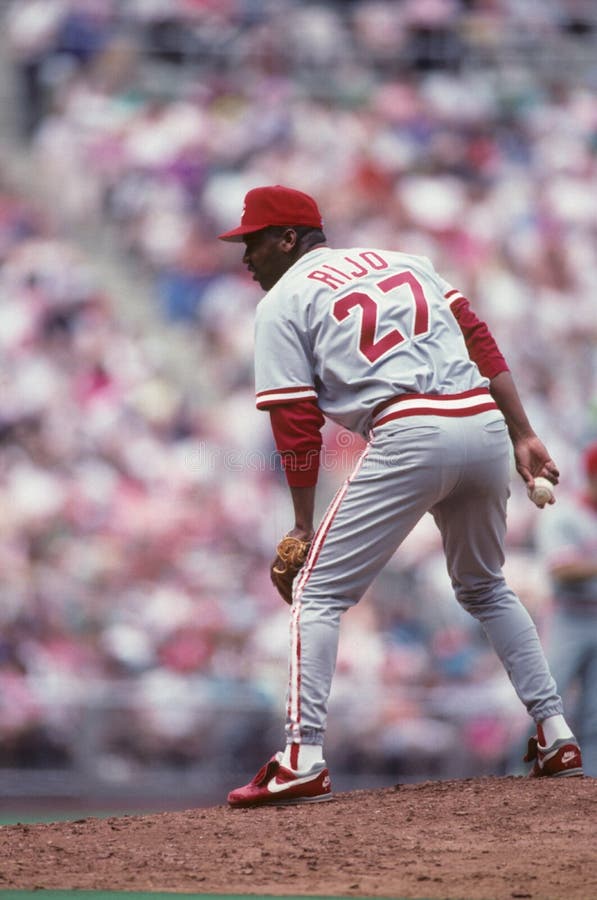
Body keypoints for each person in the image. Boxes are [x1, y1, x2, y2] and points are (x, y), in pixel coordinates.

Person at [218, 185, 583, 807]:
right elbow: (479, 339)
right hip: (485, 426)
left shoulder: (284, 299)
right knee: (486, 585)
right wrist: (523, 431)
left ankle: (302, 757)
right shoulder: (405, 260)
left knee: (317, 592)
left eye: (253, 241)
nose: (245, 257)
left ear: (287, 239)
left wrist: (302, 526)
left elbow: (294, 421)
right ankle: (556, 734)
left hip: (410, 430)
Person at [535, 440, 597, 777]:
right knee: (547, 702)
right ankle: (521, 773)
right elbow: (559, 569)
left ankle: (591, 787)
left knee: (595, 713)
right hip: (568, 617)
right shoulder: (567, 515)